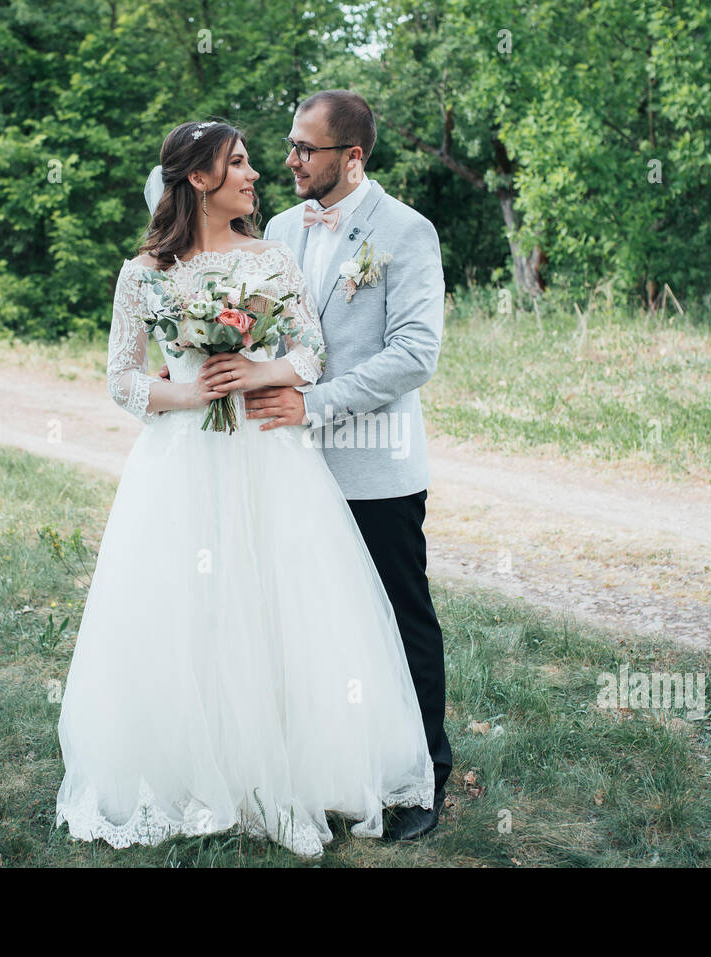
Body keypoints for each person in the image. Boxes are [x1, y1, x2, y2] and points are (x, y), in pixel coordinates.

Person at [53, 119, 434, 859]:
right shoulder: (144, 274)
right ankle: (197, 769)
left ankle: (287, 770)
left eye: (257, 162)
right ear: (198, 178)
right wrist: (191, 393)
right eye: (240, 163)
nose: (258, 173)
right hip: (180, 464)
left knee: (278, 603)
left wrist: (258, 372)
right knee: (188, 608)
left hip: (267, 455)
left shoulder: (272, 256)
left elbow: (312, 352)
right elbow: (122, 379)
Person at [248, 90, 451, 841]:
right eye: (292, 144)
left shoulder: (406, 231)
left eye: (306, 149)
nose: (290, 160)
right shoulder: (274, 229)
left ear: (352, 157)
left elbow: (413, 353)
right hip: (290, 467)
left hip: (376, 471)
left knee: (399, 622)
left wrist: (317, 404)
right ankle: (336, 770)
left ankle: (423, 779)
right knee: (314, 625)